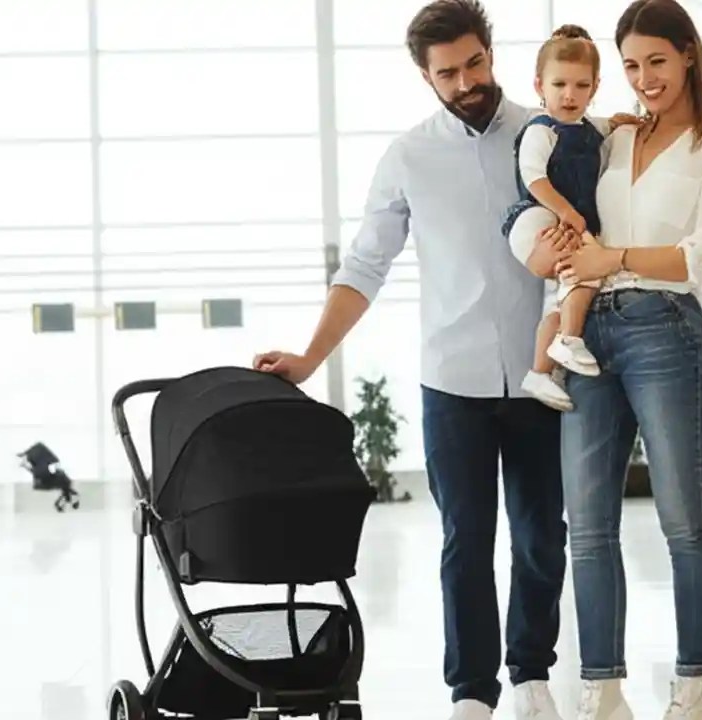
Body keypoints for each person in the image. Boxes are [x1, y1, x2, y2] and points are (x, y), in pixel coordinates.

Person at [252, 2, 570, 719]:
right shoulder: (408, 157)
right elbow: (365, 265)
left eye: (475, 63)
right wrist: (308, 358)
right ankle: (470, 692)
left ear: (492, 52)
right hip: (451, 383)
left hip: (540, 377)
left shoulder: (548, 135)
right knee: (465, 542)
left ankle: (532, 672)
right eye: (449, 73)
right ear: (427, 78)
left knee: (542, 534)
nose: (467, 82)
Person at [551, 1, 702, 719]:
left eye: (656, 62)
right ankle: (602, 688)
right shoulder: (613, 140)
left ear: (689, 55)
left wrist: (618, 258)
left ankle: (692, 687)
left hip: (667, 330)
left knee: (682, 519)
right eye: (631, 66)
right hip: (591, 332)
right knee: (589, 523)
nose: (643, 79)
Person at [503, 24, 610, 412]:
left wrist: (625, 122)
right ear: (539, 86)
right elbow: (533, 177)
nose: (570, 95)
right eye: (560, 84)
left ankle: (540, 371)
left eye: (582, 86)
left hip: (559, 219)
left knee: (561, 298)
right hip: (536, 215)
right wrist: (568, 213)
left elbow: (608, 125)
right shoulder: (541, 130)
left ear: (595, 87)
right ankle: (568, 340)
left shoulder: (588, 129)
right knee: (586, 269)